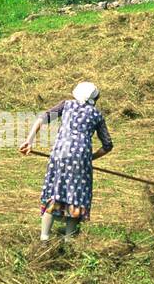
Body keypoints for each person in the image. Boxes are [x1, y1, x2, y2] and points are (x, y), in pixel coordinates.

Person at [19, 81, 113, 241]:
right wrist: (89, 158)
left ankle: (44, 238)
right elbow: (108, 145)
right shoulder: (97, 115)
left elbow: (42, 118)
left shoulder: (67, 105)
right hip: (81, 157)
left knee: (55, 193)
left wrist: (29, 140)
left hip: (60, 154)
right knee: (76, 196)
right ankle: (69, 240)